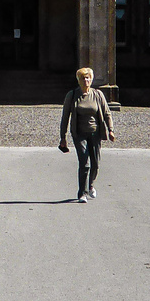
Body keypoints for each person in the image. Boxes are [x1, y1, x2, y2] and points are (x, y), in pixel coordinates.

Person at [59, 66, 115, 201]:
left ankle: (90, 186)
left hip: (95, 133)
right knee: (85, 163)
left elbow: (107, 113)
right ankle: (82, 193)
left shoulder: (98, 95)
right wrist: (63, 137)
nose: (86, 81)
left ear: (92, 79)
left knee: (95, 163)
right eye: (83, 78)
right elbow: (65, 117)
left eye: (88, 78)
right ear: (79, 80)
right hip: (79, 134)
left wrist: (111, 130)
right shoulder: (72, 95)